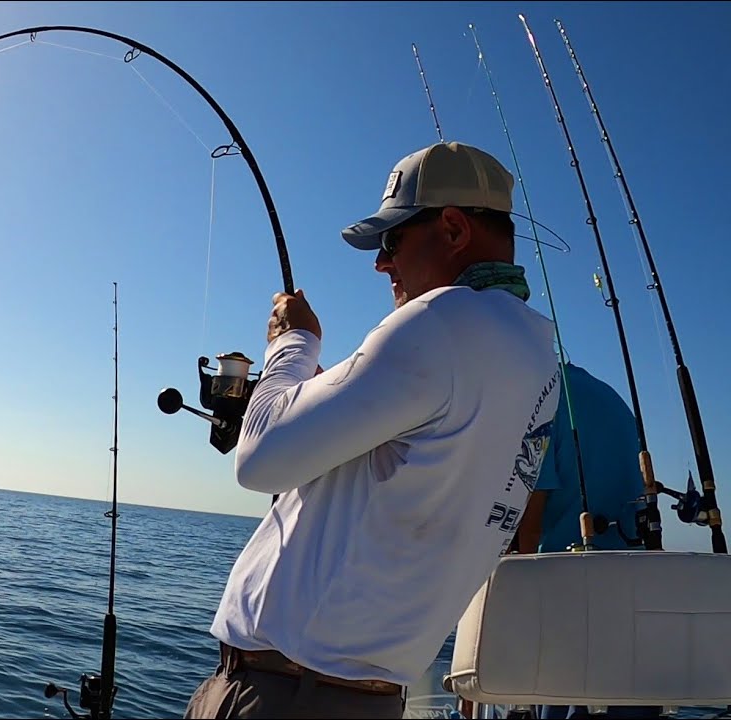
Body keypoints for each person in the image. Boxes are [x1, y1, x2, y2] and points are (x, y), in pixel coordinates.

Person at [182, 141, 563, 719]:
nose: (381, 263)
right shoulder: (534, 358)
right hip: (359, 699)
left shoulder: (439, 324)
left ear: (454, 229)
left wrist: (292, 343)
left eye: (392, 240)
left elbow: (258, 458)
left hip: (288, 697)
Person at [508, 360, 658, 720]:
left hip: (565, 590)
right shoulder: (611, 397)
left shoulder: (537, 398)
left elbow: (529, 524)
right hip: (632, 586)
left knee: (556, 697)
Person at [515, 360, 646, 555]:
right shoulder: (610, 396)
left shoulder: (539, 398)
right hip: (637, 561)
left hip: (567, 571)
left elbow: (530, 530)